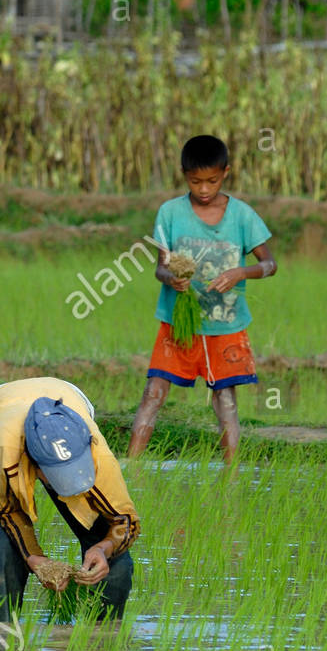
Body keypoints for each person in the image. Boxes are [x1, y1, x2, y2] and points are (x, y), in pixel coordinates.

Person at [128, 134, 278, 464]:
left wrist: (240, 273)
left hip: (226, 326)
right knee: (154, 392)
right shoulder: (170, 213)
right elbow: (160, 267)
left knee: (225, 400)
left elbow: (270, 265)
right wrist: (172, 279)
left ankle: (232, 474)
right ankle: (130, 472)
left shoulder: (242, 215)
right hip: (179, 324)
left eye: (212, 180)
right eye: (196, 181)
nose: (205, 189)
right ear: (184, 175)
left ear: (225, 172)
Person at [0, 378, 139, 622]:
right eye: (57, 478)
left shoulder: (97, 453)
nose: (66, 487)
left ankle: (102, 636)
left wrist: (104, 547)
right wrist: (35, 559)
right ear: (33, 466)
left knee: (113, 555)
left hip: (66, 398)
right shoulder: (4, 451)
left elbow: (125, 519)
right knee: (3, 548)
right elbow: (5, 509)